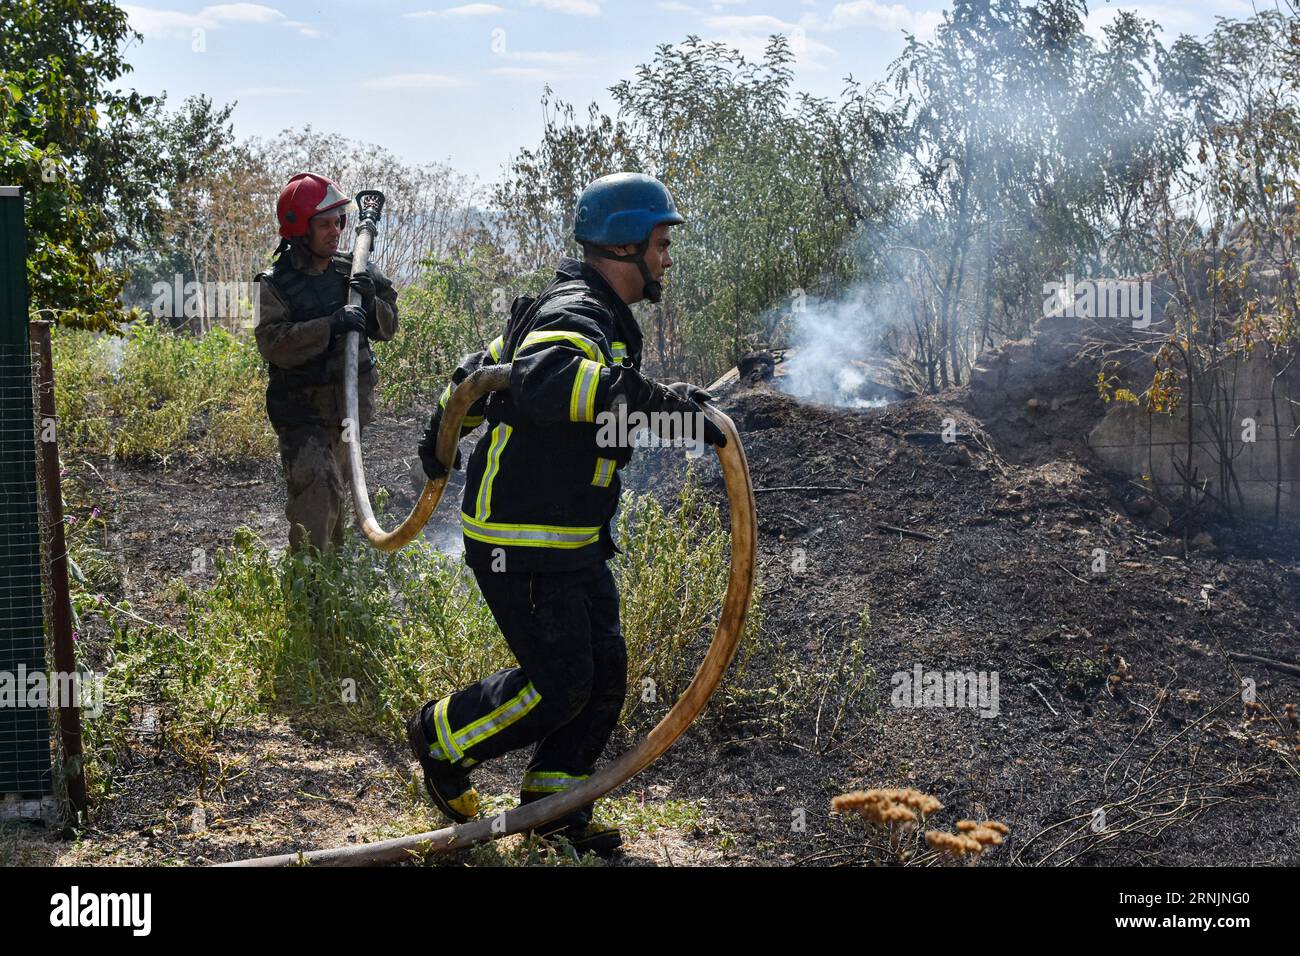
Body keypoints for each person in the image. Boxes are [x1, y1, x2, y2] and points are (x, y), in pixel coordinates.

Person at [407, 172, 726, 856]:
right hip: (519, 539)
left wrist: (442, 429)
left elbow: (480, 373)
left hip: (571, 538)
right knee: (561, 684)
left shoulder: (590, 315)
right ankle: (441, 736)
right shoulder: (574, 314)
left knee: (605, 674)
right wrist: (670, 411)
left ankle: (552, 811)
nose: (668, 258)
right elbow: (551, 382)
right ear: (626, 246)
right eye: (662, 243)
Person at [254, 173, 399, 553]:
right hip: (303, 414)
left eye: (339, 222)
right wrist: (330, 326)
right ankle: (309, 585)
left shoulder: (354, 270)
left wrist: (370, 303)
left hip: (349, 413)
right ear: (300, 230)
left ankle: (330, 578)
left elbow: (389, 326)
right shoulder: (275, 284)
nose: (335, 231)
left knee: (336, 490)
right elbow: (274, 343)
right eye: (324, 224)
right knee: (318, 491)